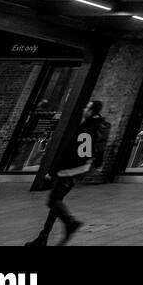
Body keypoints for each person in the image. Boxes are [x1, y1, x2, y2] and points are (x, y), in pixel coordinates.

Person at [25, 100, 105, 247]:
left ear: (92, 110)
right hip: (75, 169)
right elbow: (94, 149)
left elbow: (81, 152)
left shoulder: (88, 127)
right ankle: (43, 236)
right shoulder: (94, 125)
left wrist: (56, 171)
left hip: (71, 170)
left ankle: (70, 223)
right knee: (56, 202)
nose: (84, 108)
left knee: (53, 200)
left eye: (87, 107)